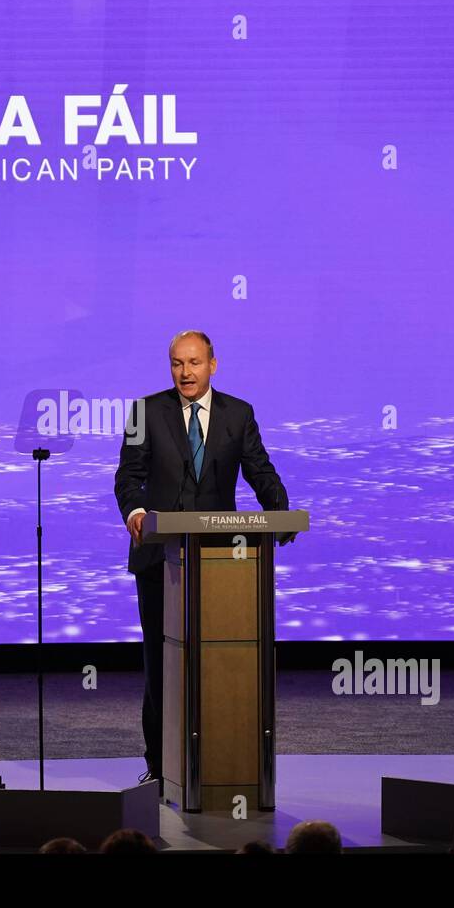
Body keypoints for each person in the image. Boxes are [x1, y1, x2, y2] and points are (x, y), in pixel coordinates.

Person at [114, 330, 292, 791]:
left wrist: (281, 511)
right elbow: (127, 477)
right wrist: (136, 512)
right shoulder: (143, 413)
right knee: (161, 662)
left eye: (194, 363)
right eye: (177, 363)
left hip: (220, 562)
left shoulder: (239, 414)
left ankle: (215, 759)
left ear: (213, 364)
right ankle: (159, 764)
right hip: (158, 560)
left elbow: (259, 470)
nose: (185, 372)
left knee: (218, 661)